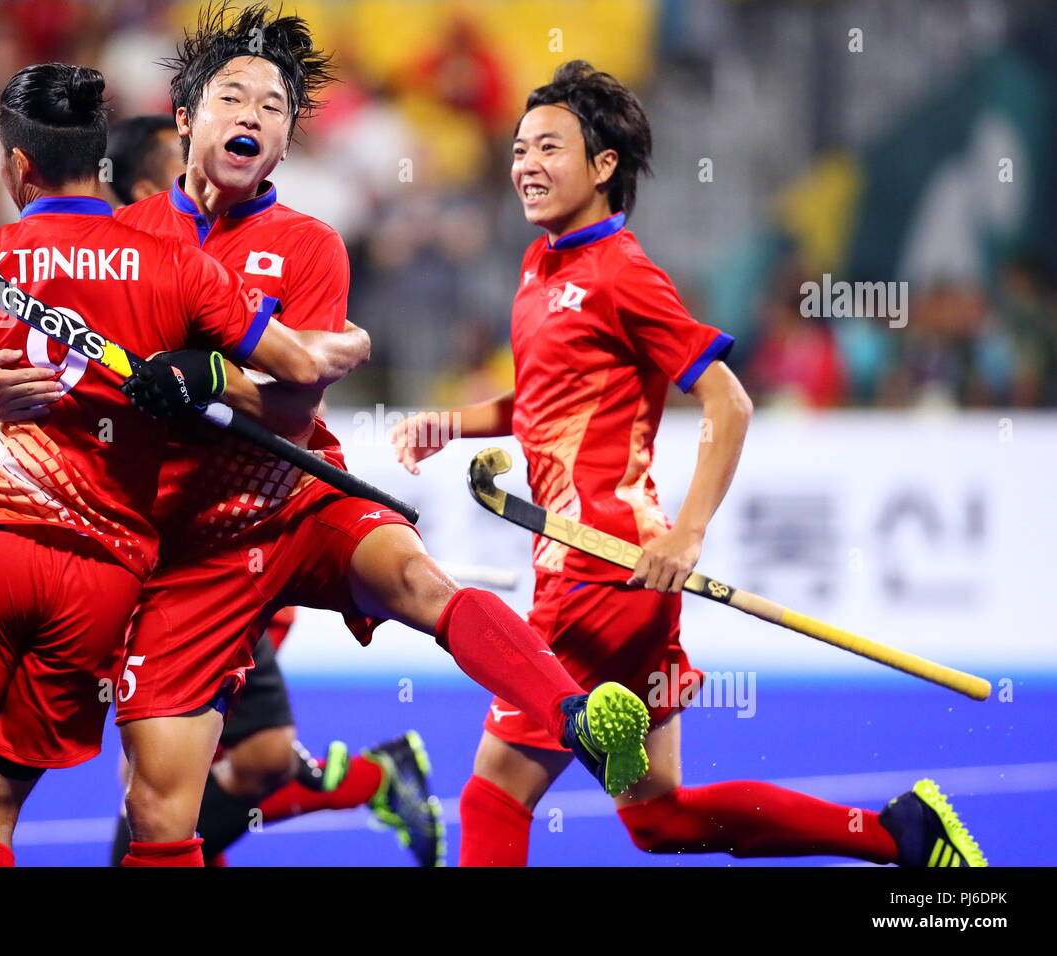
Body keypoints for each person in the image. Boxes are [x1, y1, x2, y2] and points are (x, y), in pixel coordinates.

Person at [0, 62, 367, 867]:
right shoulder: (174, 263)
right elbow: (296, 365)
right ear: (100, 159)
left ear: (16, 167)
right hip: (104, 580)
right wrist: (352, 342)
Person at [392, 61, 987, 869]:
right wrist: (449, 425)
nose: (525, 165)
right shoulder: (541, 268)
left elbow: (728, 402)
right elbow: (538, 398)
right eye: (521, 147)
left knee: (494, 792)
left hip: (603, 573)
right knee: (660, 819)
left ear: (604, 167)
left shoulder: (623, 274)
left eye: (549, 148)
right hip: (603, 573)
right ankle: (898, 835)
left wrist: (690, 535)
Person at [0, 105, 445, 867]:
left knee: (234, 760)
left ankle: (368, 778)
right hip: (129, 543)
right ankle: (370, 777)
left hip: (224, 535)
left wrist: (313, 355)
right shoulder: (127, 264)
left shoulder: (243, 255)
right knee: (142, 773)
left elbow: (290, 373)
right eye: (172, 166)